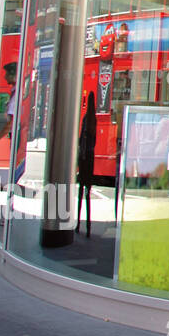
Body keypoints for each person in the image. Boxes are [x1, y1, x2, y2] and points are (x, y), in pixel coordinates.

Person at [77, 92, 96, 238]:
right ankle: (88, 227)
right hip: (90, 159)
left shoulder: (85, 119)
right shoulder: (94, 120)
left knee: (80, 193)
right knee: (88, 194)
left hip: (83, 159)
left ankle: (78, 223)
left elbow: (80, 142)